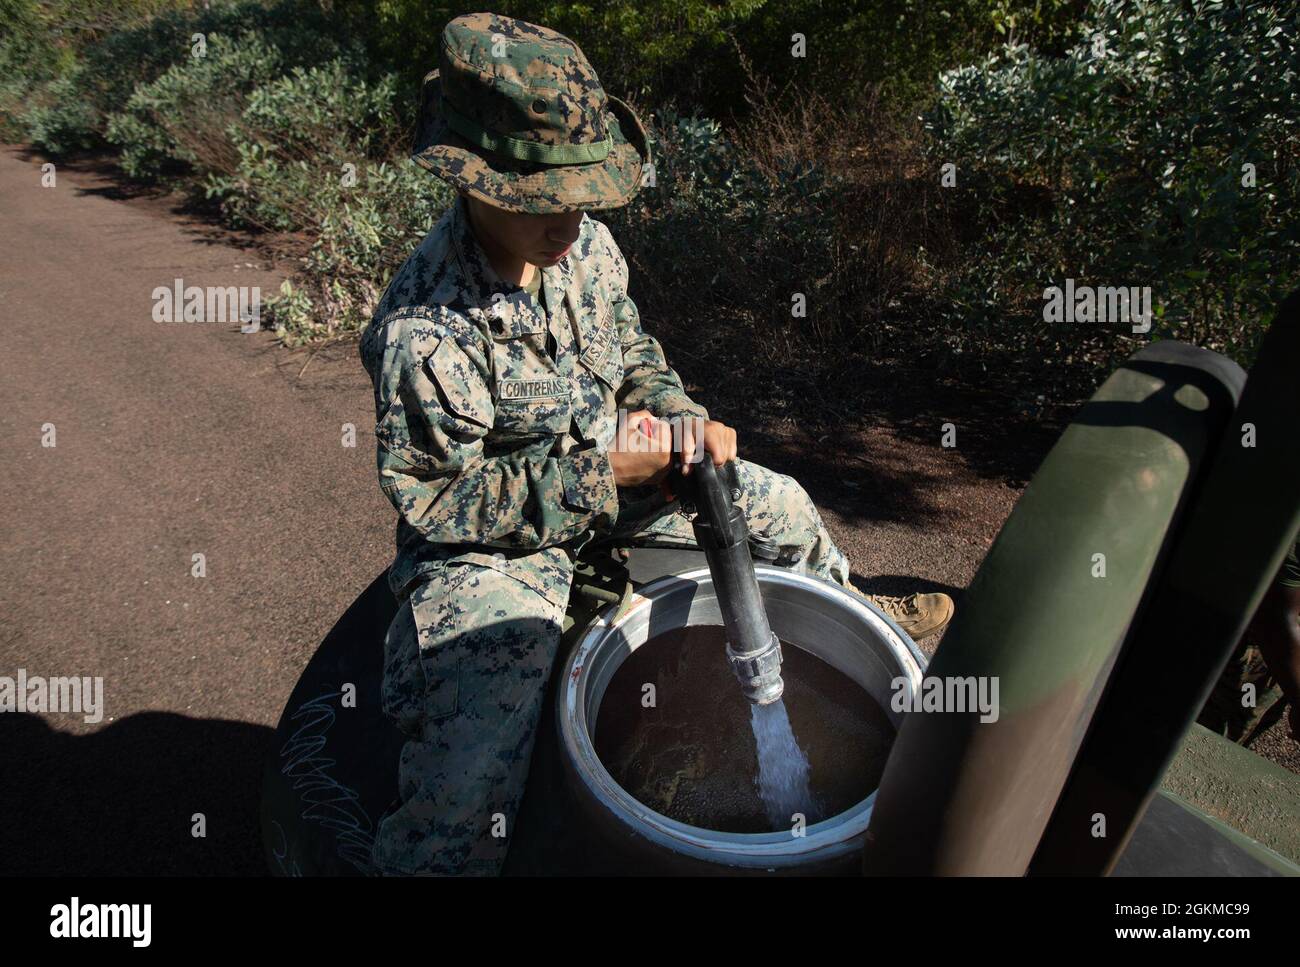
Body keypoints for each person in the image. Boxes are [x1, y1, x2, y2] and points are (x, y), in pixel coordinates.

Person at [359, 12, 955, 875]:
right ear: (479, 182)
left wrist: (675, 416)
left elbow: (631, 347)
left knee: (776, 505)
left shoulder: (580, 242)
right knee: (473, 763)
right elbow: (440, 501)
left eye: (583, 194)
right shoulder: (424, 330)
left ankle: (849, 607)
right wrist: (598, 474)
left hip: (620, 469)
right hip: (493, 546)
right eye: (549, 201)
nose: (576, 220)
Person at [1199, 536, 1300, 744]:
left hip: (1279, 649)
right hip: (1256, 645)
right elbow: (1274, 618)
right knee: (1218, 736)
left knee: (1252, 718)